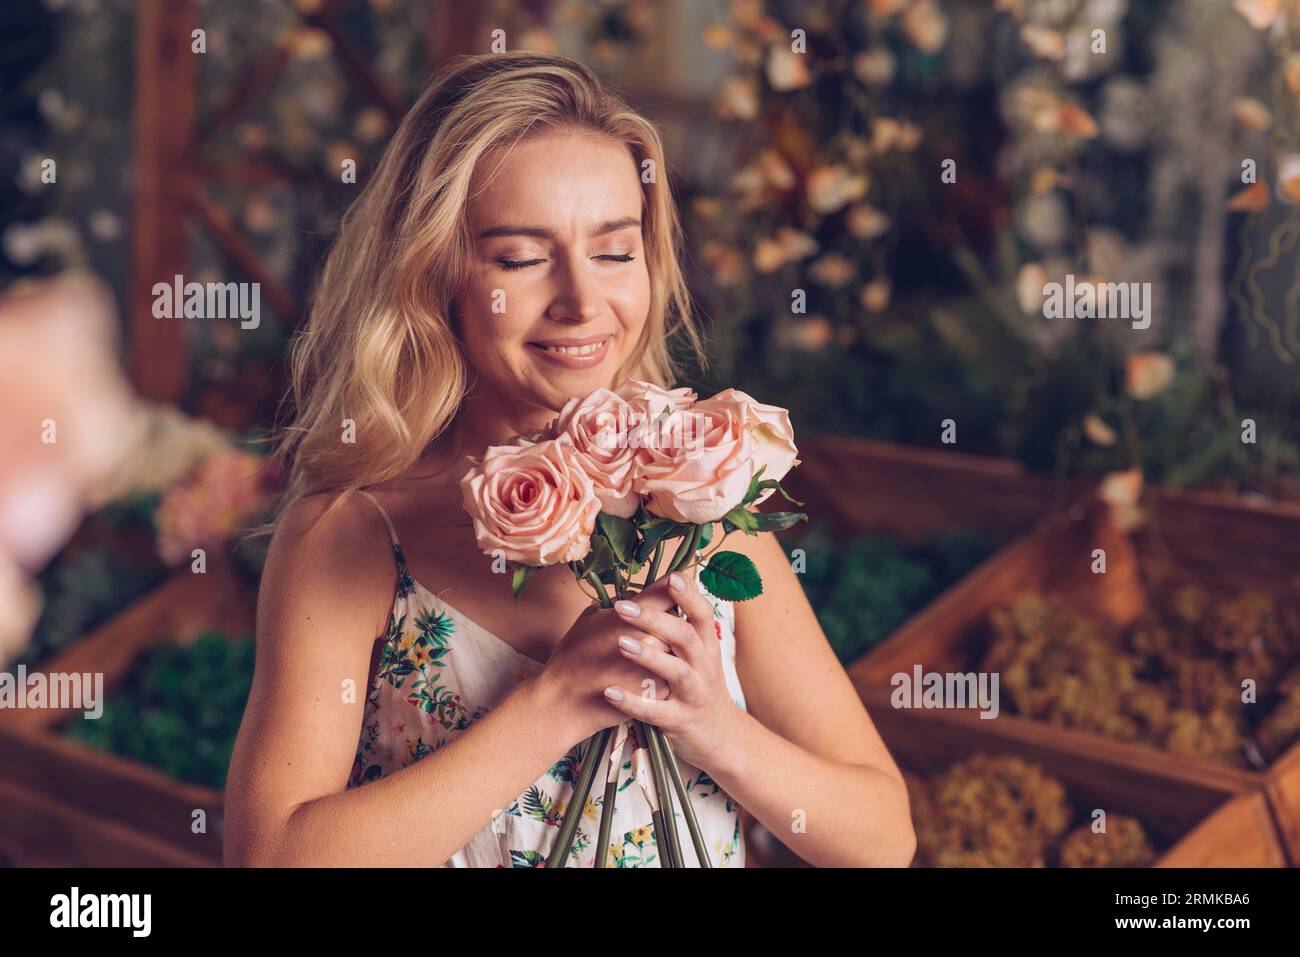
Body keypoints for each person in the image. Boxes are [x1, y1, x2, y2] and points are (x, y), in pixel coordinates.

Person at [222, 51, 915, 868]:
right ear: (434, 273)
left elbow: (882, 839)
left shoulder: (704, 503)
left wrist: (716, 729)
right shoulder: (353, 533)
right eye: (521, 258)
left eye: (615, 253)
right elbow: (268, 857)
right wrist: (551, 705)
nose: (584, 303)